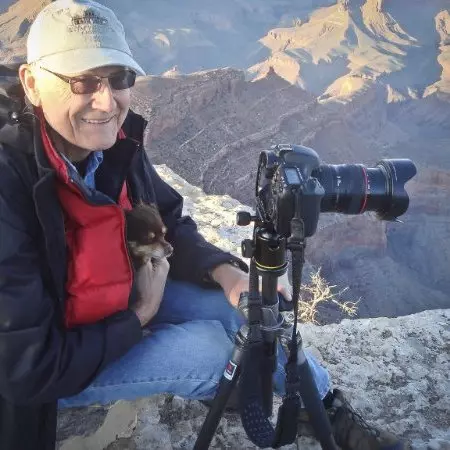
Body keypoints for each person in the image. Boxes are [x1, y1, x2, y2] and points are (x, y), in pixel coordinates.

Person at [0, 1, 410, 449]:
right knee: (211, 352)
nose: (105, 100)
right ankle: (232, 385)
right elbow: (27, 368)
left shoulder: (114, 145)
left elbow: (169, 217)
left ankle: (325, 407)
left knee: (244, 313)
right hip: (50, 366)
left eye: (118, 79)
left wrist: (225, 272)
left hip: (105, 301)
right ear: (32, 84)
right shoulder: (11, 183)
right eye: (83, 81)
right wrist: (141, 315)